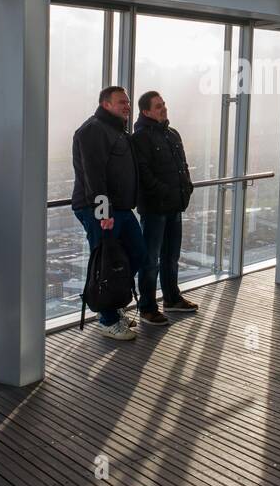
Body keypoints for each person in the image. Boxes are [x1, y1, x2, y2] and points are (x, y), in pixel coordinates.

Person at [72, 86, 146, 342]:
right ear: (105, 104)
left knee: (137, 255)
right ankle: (107, 319)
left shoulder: (116, 131)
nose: (127, 105)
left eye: (127, 102)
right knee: (105, 266)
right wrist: (103, 211)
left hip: (121, 210)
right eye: (121, 102)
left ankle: (109, 306)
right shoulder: (93, 130)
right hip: (101, 212)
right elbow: (94, 175)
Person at [131, 91, 199, 326]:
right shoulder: (140, 138)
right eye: (158, 106)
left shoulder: (172, 134)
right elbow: (144, 174)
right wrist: (169, 192)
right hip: (154, 210)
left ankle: (172, 299)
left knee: (171, 257)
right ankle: (147, 308)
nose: (163, 109)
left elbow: (183, 165)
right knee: (151, 261)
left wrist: (186, 188)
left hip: (174, 207)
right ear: (146, 111)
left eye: (164, 105)